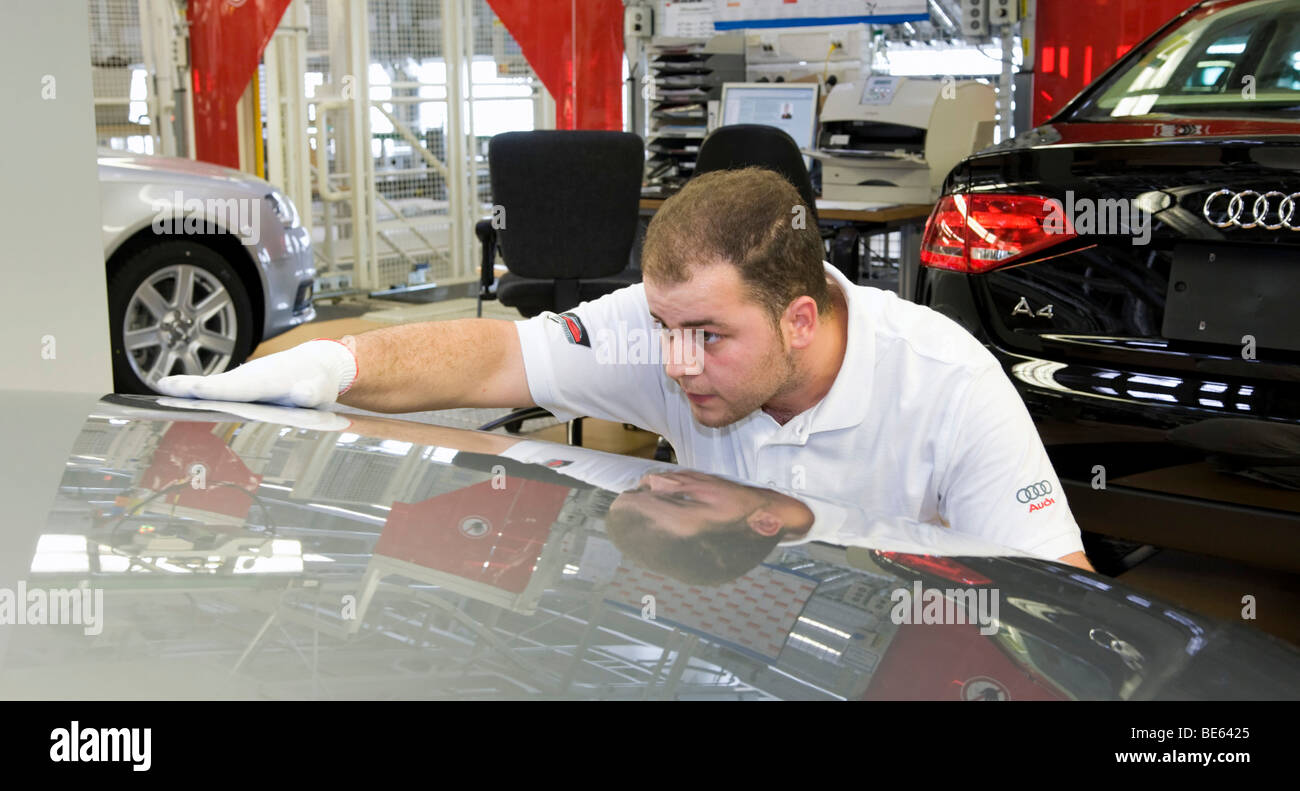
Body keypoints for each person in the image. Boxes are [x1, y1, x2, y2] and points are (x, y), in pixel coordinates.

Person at [157, 167, 1094, 571]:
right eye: (659, 327)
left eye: (709, 337)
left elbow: (1065, 593)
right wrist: (327, 363)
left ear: (799, 318)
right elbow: (493, 352)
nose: (675, 363)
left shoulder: (950, 386)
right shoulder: (671, 332)